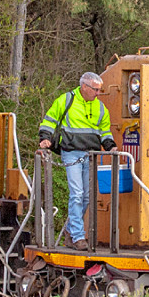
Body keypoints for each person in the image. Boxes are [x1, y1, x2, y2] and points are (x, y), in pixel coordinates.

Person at [39, 72, 117, 251]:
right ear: (84, 87)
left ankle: (70, 230)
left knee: (87, 197)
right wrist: (45, 138)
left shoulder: (101, 108)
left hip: (91, 155)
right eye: (95, 89)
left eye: (100, 90)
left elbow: (104, 132)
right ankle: (77, 236)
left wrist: (110, 145)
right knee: (77, 194)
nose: (98, 93)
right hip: (72, 153)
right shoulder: (66, 100)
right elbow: (50, 120)